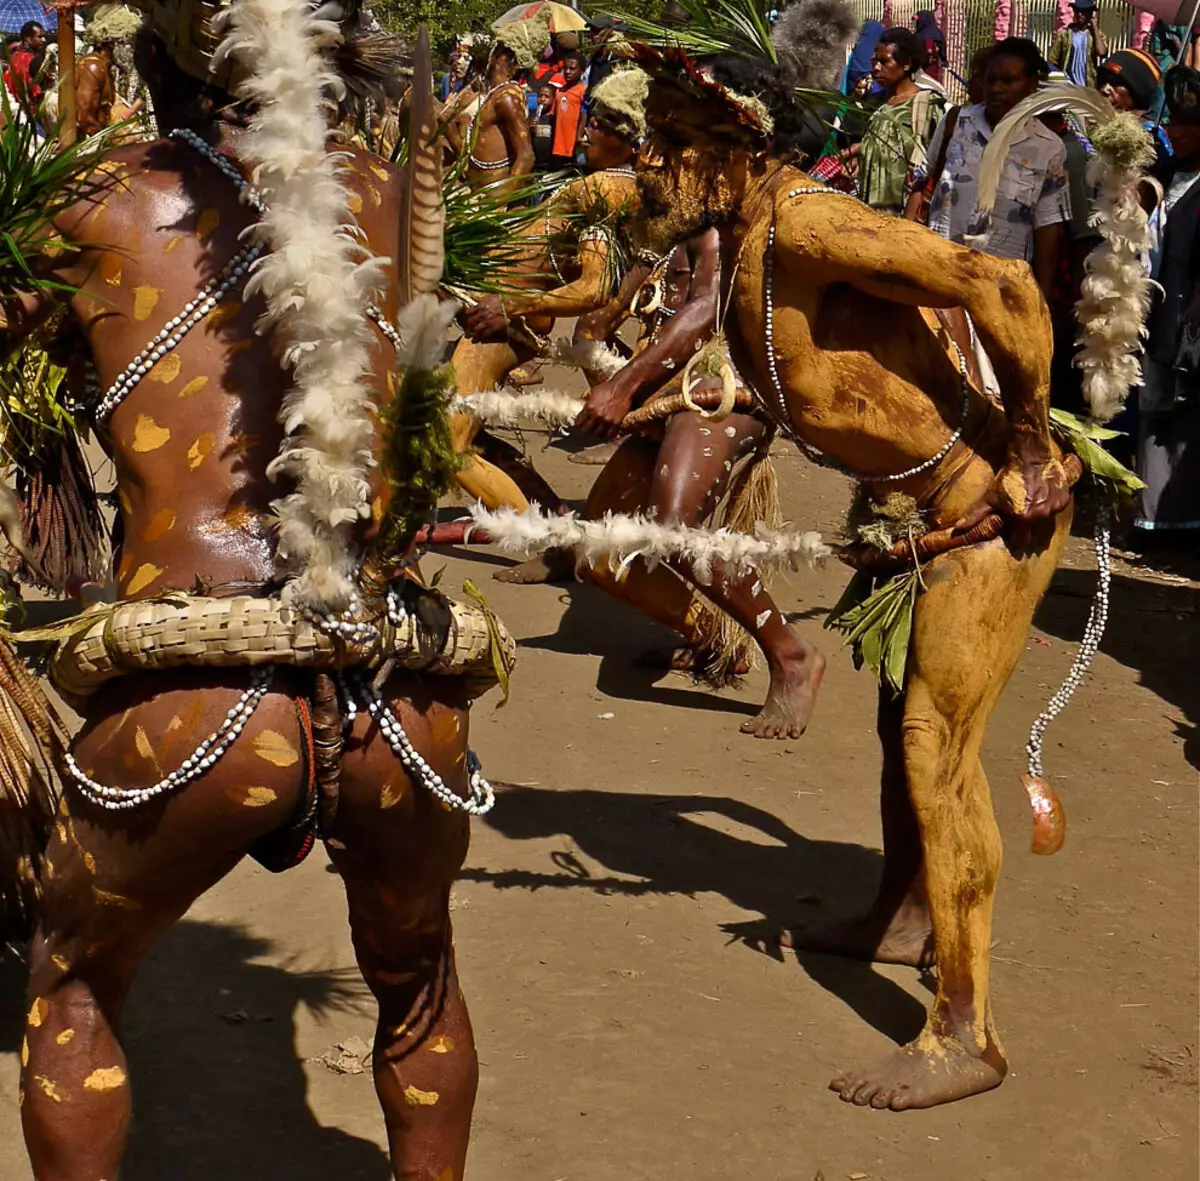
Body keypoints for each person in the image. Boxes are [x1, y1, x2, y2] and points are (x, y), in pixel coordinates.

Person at [4, 1, 509, 1174]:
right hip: (398, 704)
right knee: (419, 979)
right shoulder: (388, 190)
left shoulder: (98, 200)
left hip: (197, 707)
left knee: (71, 980)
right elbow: (462, 346)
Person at [628, 0, 1075, 1108]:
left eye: (677, 138)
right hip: (916, 512)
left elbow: (1007, 285)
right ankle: (901, 910)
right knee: (896, 721)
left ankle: (967, 1028)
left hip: (992, 509)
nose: (655, 159)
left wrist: (1028, 442)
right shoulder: (746, 244)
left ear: (739, 147)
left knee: (935, 739)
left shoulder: (811, 226)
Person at [920, 38, 1069, 303]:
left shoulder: (1049, 149)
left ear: (1032, 86)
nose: (996, 89)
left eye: (1008, 81)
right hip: (940, 277)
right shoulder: (957, 123)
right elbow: (921, 185)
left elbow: (1047, 232)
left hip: (1000, 293)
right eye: (991, 80)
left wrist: (1040, 304)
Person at [1135, 65, 1200, 543]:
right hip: (1162, 314)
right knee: (1158, 416)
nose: (1174, 132)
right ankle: (1155, 517)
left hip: (1190, 321)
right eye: (1173, 121)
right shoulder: (1165, 174)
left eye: (1187, 125)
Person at [855, 28, 944, 216]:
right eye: (875, 61)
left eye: (884, 62)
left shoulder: (926, 105)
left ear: (906, 64)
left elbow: (934, 165)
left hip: (902, 217)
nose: (876, 68)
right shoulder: (875, 103)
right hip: (867, 213)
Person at [461, 41, 533, 197]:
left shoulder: (507, 97)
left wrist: (500, 202)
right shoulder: (493, 94)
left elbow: (526, 156)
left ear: (501, 58)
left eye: (492, 51)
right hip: (477, 195)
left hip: (494, 201)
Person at [1096, 47, 1171, 175]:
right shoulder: (1097, 129)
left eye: (1115, 82)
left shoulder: (1152, 139)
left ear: (1137, 91)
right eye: (1101, 81)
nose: (1105, 89)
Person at [1048, 0, 1107, 89]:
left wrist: (1094, 27)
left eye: (1084, 12)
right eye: (1077, 11)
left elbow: (1102, 52)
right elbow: (1053, 60)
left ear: (1090, 14)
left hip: (1087, 87)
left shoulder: (1095, 35)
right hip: (1068, 86)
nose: (1079, 14)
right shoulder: (1065, 34)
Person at [550, 49, 587, 169]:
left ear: (581, 71)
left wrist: (579, 135)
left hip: (573, 145)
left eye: (572, 69)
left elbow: (584, 115)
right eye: (565, 68)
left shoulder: (583, 91)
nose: (567, 72)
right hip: (557, 145)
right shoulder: (560, 91)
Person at [3, 21, 47, 116]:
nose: (44, 40)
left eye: (44, 36)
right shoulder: (26, 59)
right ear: (27, 38)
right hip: (28, 115)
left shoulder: (16, 56)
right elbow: (36, 92)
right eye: (39, 37)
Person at [912, 10, 945, 85]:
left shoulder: (925, 35)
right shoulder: (937, 33)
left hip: (925, 69)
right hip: (934, 67)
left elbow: (929, 50)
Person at [530, 79, 556, 170]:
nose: (542, 99)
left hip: (548, 165)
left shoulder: (554, 119)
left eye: (547, 96)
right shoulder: (531, 116)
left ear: (553, 99)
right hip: (534, 164)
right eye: (540, 96)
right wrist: (531, 129)